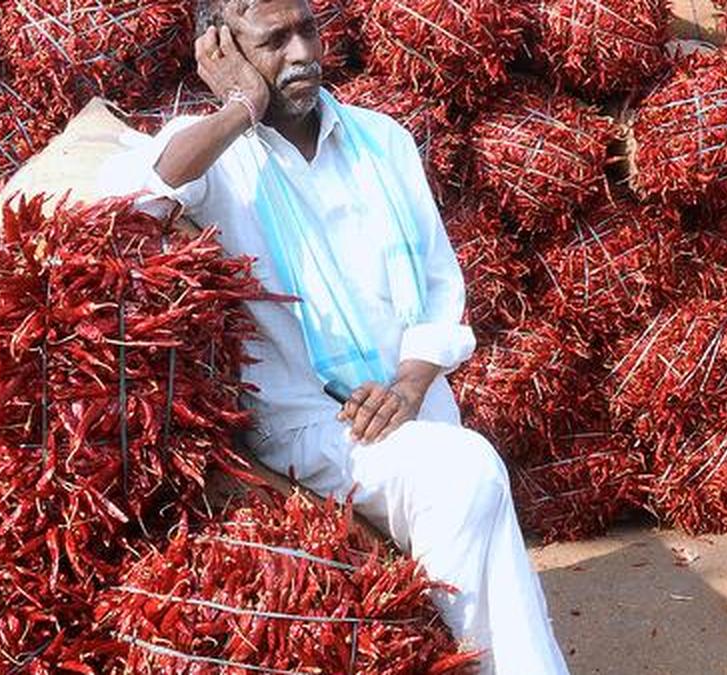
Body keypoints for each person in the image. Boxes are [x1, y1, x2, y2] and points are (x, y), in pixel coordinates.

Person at [99, 1, 572, 673]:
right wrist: (240, 107)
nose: (301, 54)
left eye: (307, 30)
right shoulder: (215, 152)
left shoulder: (381, 140)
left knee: (465, 478)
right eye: (274, 40)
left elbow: (441, 286)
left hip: (413, 403)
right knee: (464, 474)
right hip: (312, 423)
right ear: (220, 49)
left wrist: (408, 387)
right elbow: (123, 206)